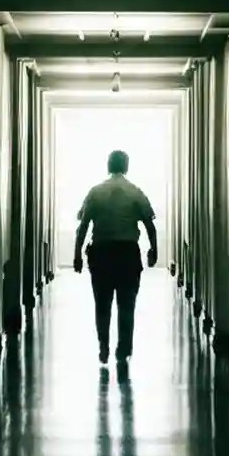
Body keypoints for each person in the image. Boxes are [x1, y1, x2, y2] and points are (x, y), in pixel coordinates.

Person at [73, 150, 158, 364]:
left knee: (102, 303)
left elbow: (82, 227)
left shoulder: (95, 192)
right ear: (127, 166)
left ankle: (104, 345)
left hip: (101, 254)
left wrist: (77, 254)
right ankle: (124, 348)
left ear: (108, 166)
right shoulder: (135, 192)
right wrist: (153, 249)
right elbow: (150, 224)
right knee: (126, 303)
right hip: (127, 254)